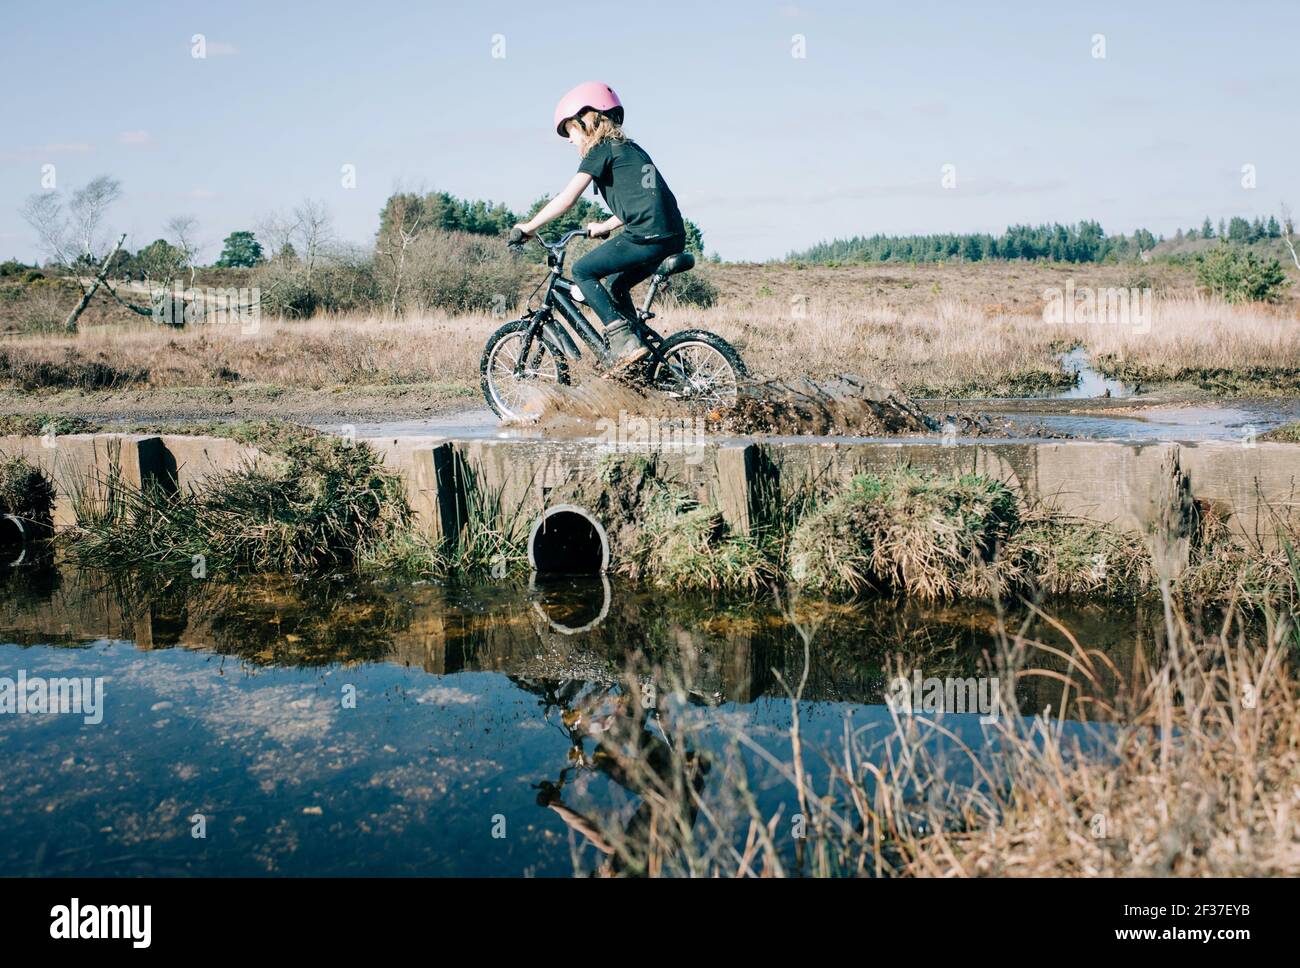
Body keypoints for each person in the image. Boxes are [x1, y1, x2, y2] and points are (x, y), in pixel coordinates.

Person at [513, 82, 686, 368]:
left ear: (588, 120)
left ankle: (624, 345)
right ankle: (639, 355)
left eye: (570, 130)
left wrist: (529, 227)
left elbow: (567, 199)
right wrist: (608, 224)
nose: (570, 140)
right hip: (670, 235)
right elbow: (646, 199)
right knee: (616, 285)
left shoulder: (601, 150)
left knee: (582, 270)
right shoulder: (631, 149)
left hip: (646, 235)